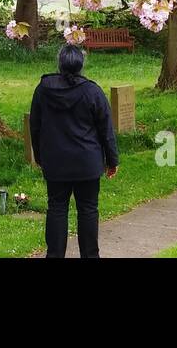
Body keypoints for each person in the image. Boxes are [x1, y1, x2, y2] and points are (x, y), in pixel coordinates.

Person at [29, 43, 119, 258]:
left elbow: (35, 126)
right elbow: (106, 129)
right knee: (88, 210)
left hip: (56, 162)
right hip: (87, 162)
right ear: (81, 64)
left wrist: (40, 157)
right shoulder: (92, 91)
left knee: (57, 208)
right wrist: (112, 160)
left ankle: (55, 254)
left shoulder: (43, 90)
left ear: (60, 63)